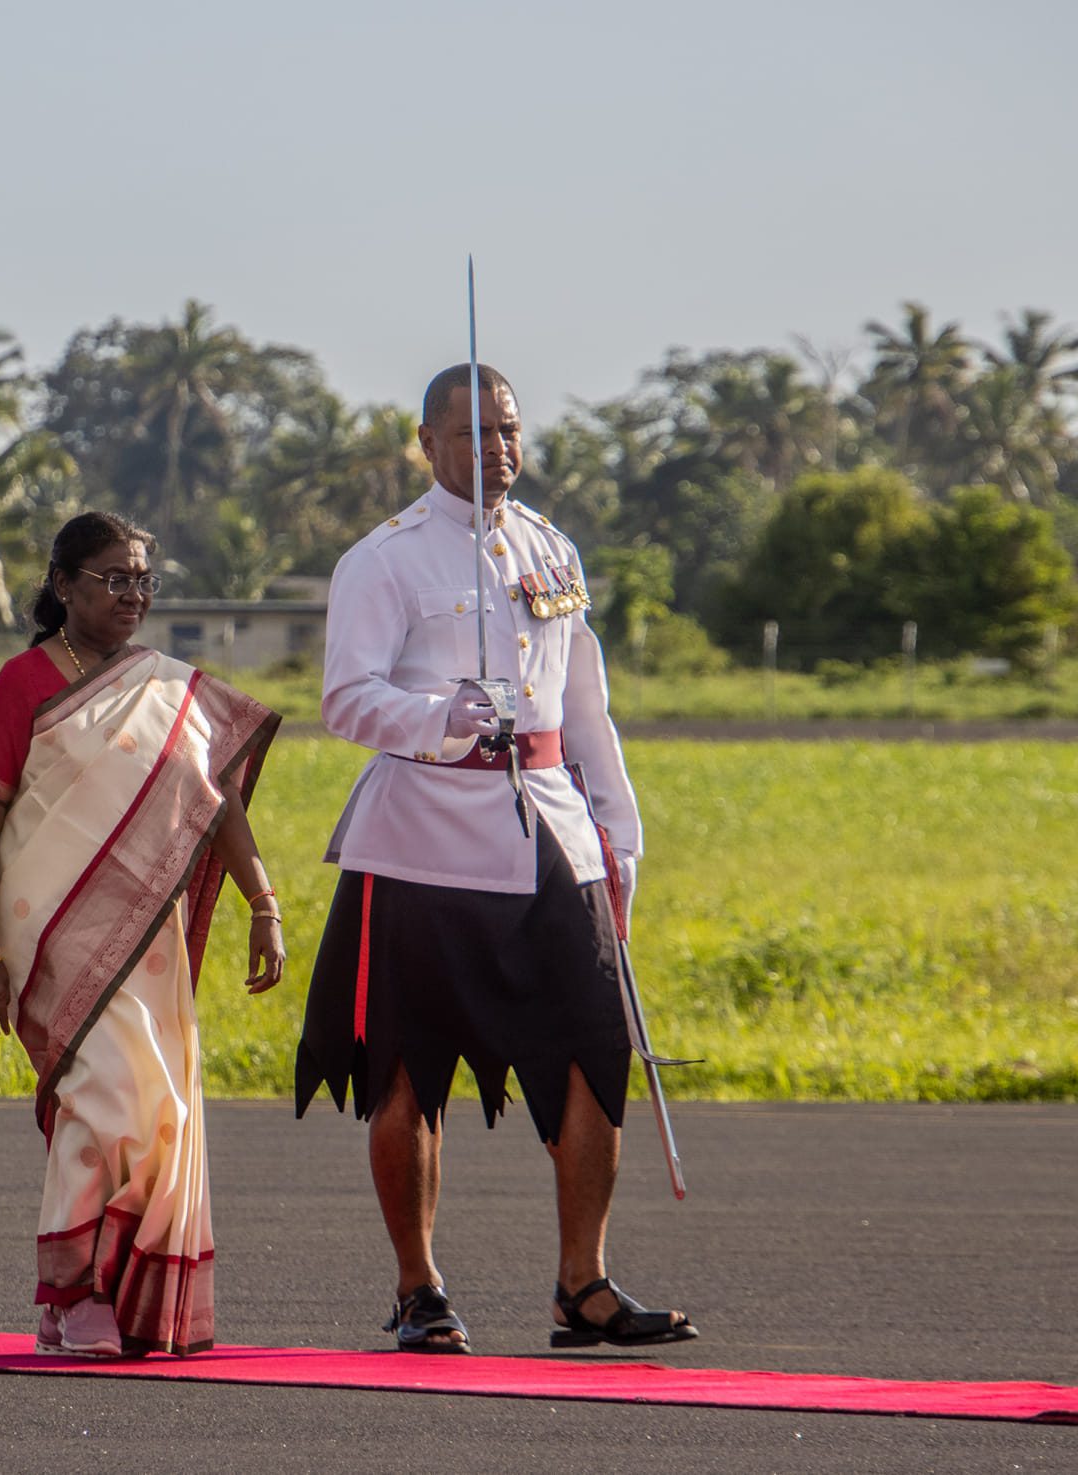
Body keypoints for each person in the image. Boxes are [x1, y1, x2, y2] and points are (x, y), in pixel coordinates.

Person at [295, 363, 697, 1354]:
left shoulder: (550, 548)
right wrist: (437, 718)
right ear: (423, 443)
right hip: (421, 838)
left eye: (507, 429)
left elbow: (584, 706)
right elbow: (344, 697)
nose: (494, 448)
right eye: (469, 432)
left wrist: (619, 834)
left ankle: (582, 1283)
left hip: (550, 835)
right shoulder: (380, 560)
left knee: (595, 1054)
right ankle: (417, 1285)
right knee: (405, 1068)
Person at [0, 511, 285, 1358]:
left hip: (149, 937)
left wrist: (263, 902)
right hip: (52, 930)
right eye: (112, 577)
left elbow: (218, 805)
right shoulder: (23, 682)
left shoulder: (171, 684)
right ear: (63, 585)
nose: (131, 593)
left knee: (160, 1110)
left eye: (142, 578)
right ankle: (76, 1292)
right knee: (104, 1099)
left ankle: (125, 1295)